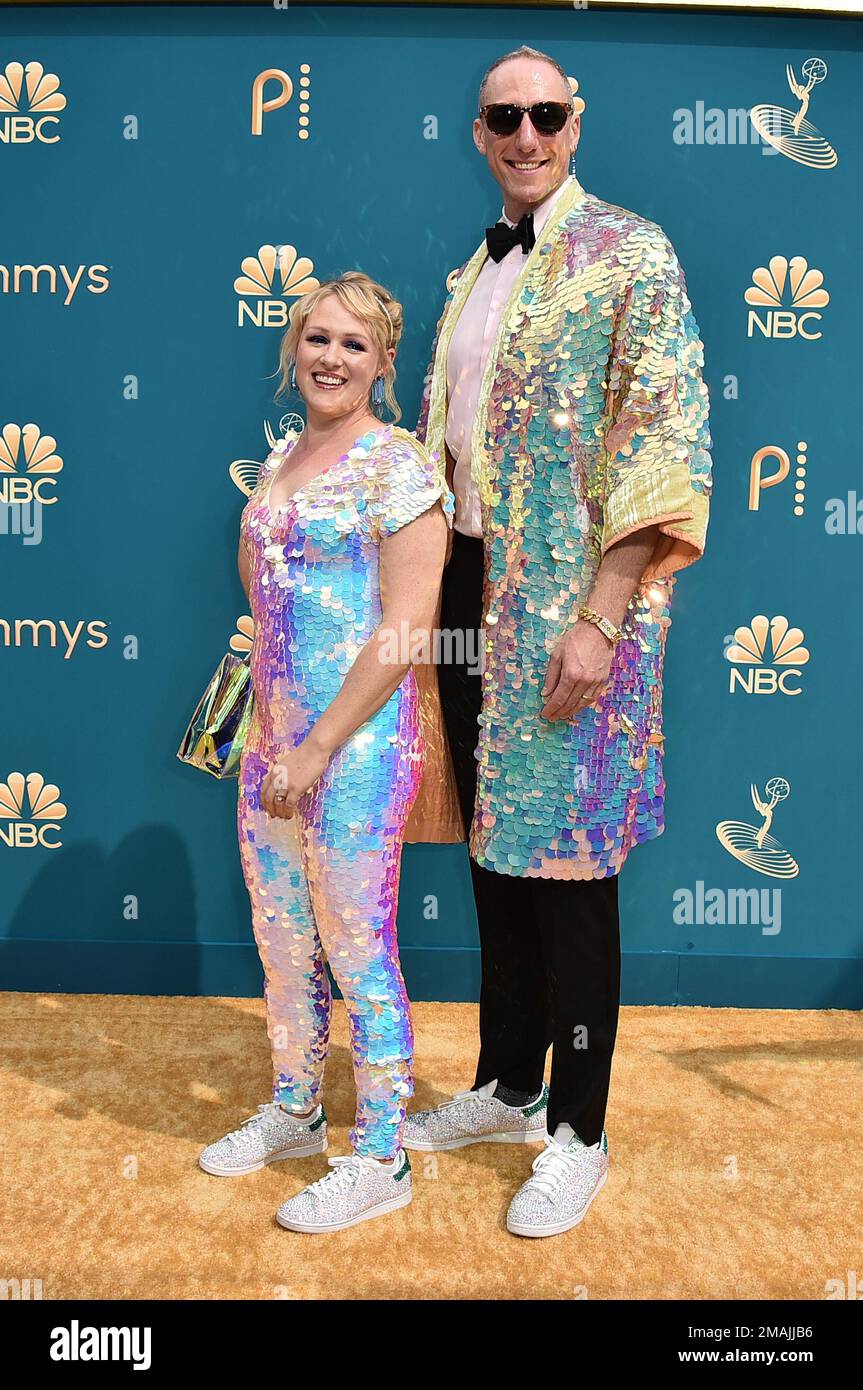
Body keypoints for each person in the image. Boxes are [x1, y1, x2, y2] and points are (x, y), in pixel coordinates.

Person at [404, 46, 712, 1238]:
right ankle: (505, 1082)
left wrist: (603, 610)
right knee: (495, 851)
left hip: (576, 606)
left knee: (570, 868)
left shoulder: (632, 254)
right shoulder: (464, 275)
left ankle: (576, 1127)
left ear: (573, 126)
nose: (524, 133)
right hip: (471, 595)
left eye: (543, 114)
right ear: (477, 132)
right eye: (502, 116)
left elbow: (662, 439)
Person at [199, 271, 454, 1234]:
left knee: (357, 949)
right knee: (282, 940)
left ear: (385, 362)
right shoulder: (282, 456)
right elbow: (260, 594)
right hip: (272, 746)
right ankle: (297, 1111)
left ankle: (381, 1154)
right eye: (316, 338)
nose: (330, 358)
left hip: (351, 752)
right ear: (291, 349)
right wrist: (270, 730)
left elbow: (404, 629)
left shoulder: (396, 467)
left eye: (353, 344)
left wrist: (316, 746)